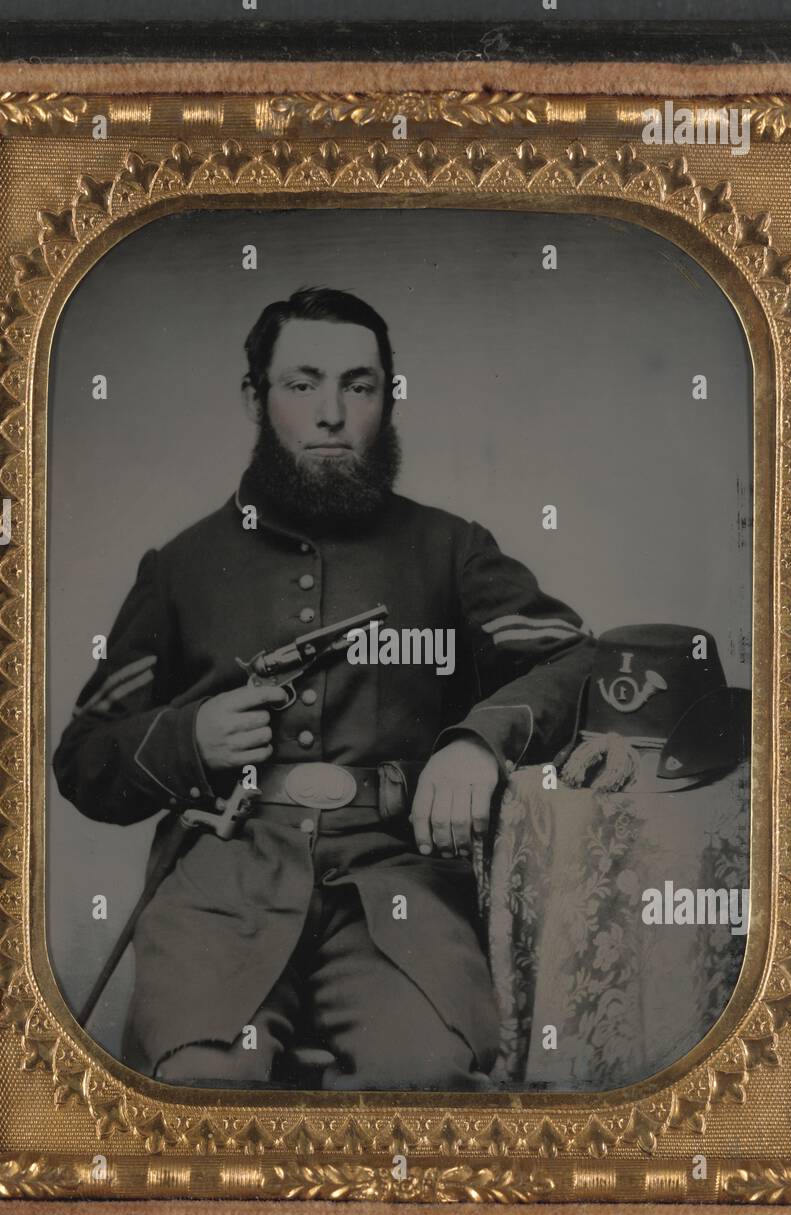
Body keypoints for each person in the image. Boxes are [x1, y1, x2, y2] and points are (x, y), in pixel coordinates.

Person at [53, 286, 594, 1089]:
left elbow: (572, 661)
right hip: (221, 885)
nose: (333, 413)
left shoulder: (450, 548)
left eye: (360, 385)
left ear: (387, 397)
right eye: (303, 384)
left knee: (423, 1079)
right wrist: (187, 739)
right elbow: (84, 758)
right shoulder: (181, 567)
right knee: (200, 1084)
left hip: (395, 882)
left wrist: (479, 745)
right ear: (256, 397)